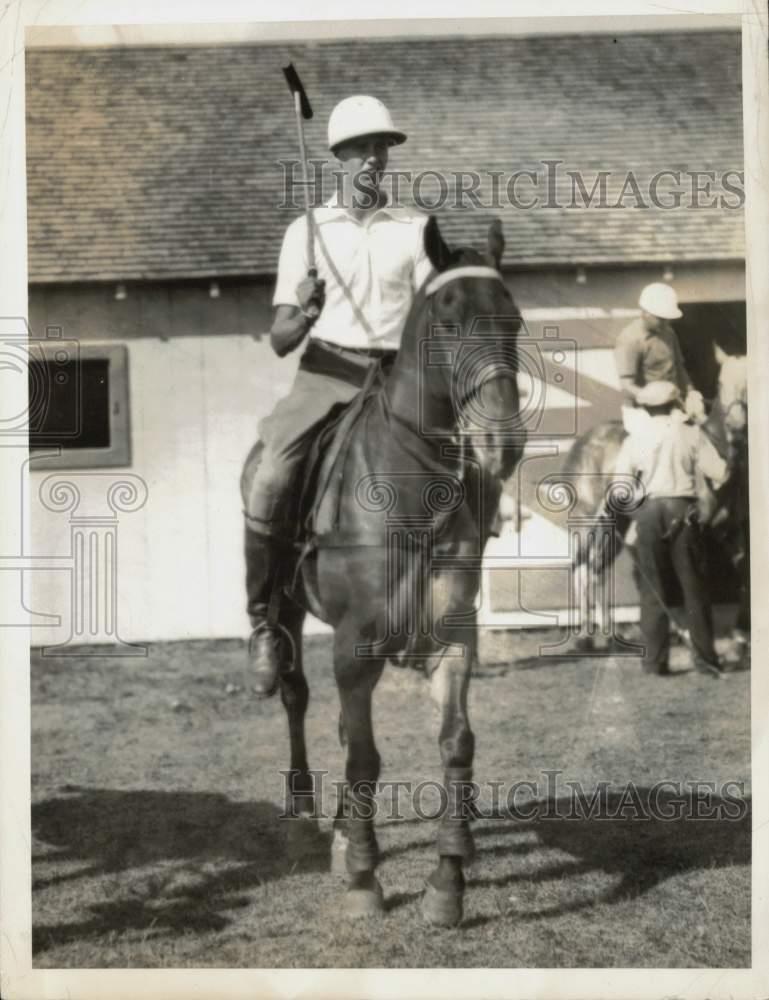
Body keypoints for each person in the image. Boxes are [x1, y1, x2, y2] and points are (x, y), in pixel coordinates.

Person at [243, 95, 434, 697]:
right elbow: (279, 340)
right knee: (271, 473)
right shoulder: (306, 232)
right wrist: (303, 312)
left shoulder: (416, 228)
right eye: (361, 149)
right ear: (338, 157)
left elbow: (434, 317)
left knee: (465, 467)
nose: (374, 158)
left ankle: (430, 612)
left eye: (382, 147)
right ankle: (265, 624)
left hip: (396, 381)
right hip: (326, 373)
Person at [613, 380, 728, 677]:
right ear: (674, 403)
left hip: (648, 511)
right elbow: (720, 472)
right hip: (683, 508)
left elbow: (619, 488)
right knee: (694, 587)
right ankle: (705, 660)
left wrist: (639, 510)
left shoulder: (635, 438)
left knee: (653, 590)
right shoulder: (691, 433)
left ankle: (654, 663)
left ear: (646, 408)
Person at [614, 282, 705, 434]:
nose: (666, 322)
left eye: (667, 319)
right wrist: (653, 396)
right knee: (654, 445)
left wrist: (691, 393)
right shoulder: (630, 339)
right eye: (661, 318)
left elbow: (679, 368)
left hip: (672, 408)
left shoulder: (669, 333)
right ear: (645, 312)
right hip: (641, 412)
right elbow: (626, 385)